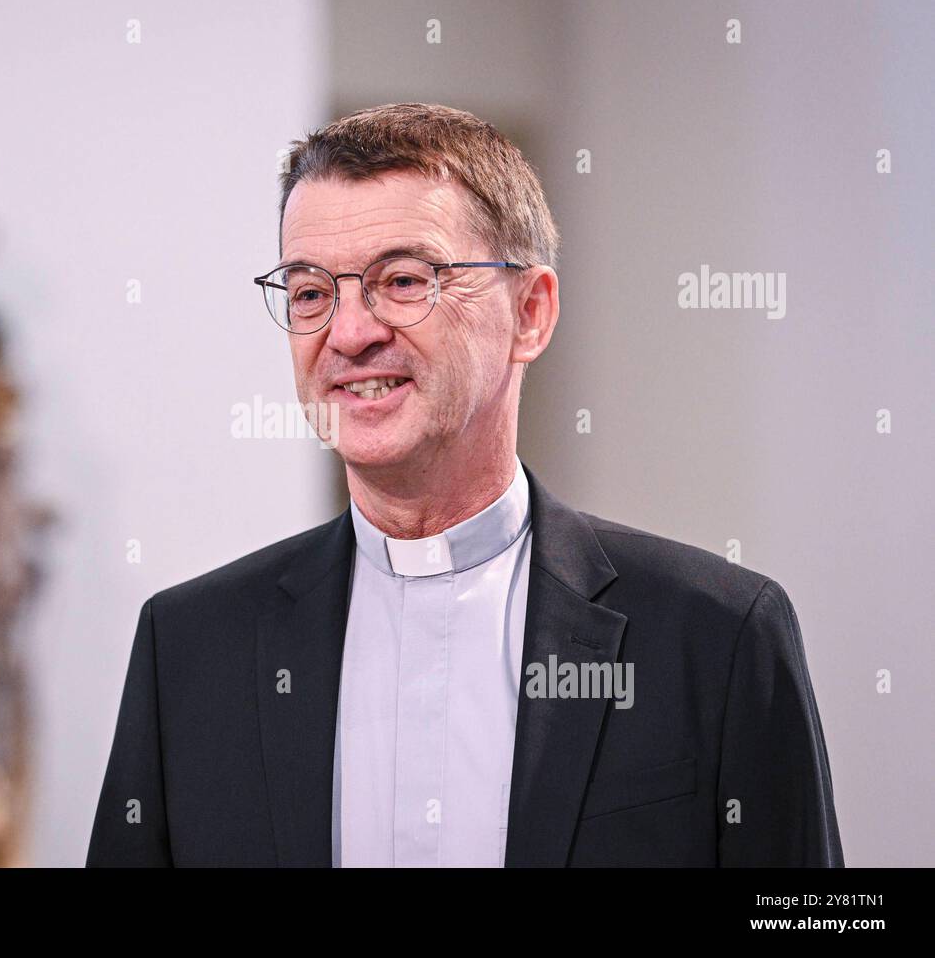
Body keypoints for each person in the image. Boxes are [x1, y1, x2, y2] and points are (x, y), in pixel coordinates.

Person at [87, 103, 843, 867]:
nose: (349, 333)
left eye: (405, 279)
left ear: (531, 312)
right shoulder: (187, 650)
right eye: (312, 292)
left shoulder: (716, 637)